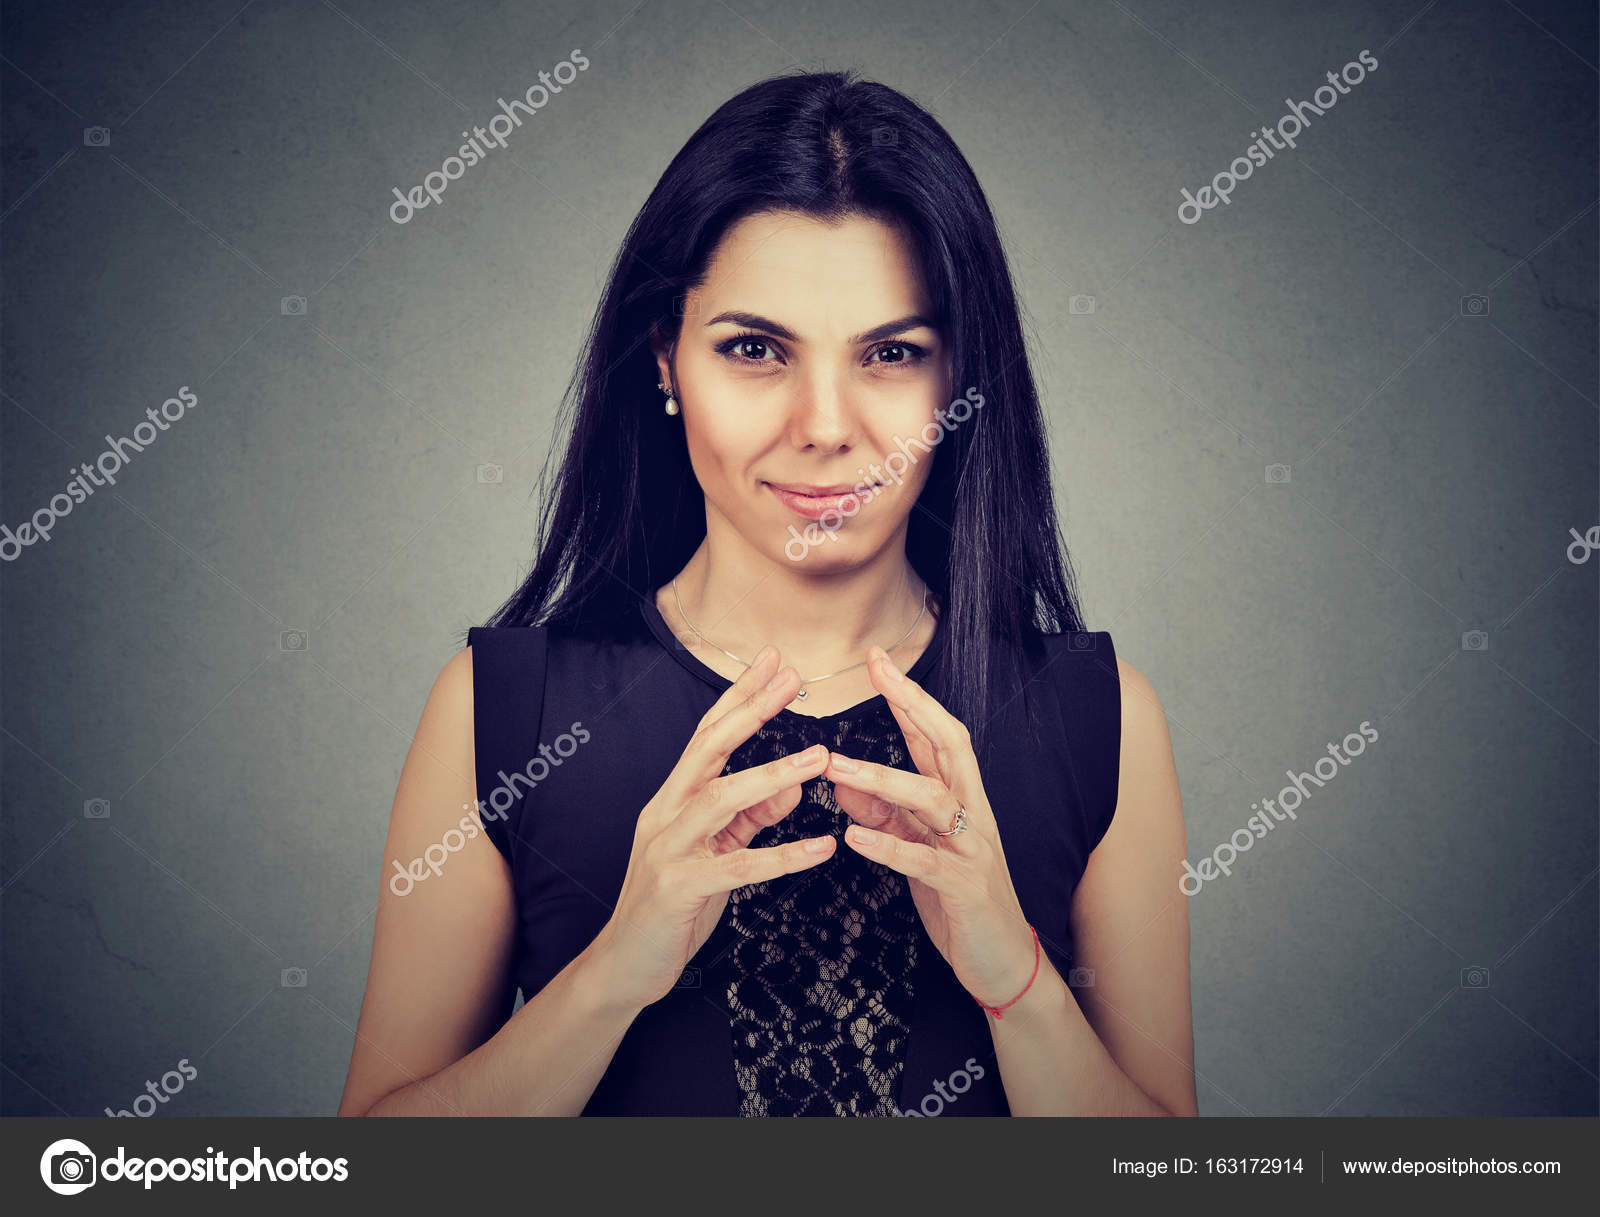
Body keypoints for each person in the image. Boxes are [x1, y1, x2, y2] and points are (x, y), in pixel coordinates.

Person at [338, 69, 1195, 1118]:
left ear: (958, 380)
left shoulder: (1099, 718)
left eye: (891, 352)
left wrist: (1019, 985)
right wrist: (612, 973)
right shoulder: (500, 705)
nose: (824, 423)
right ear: (665, 359)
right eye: (754, 349)